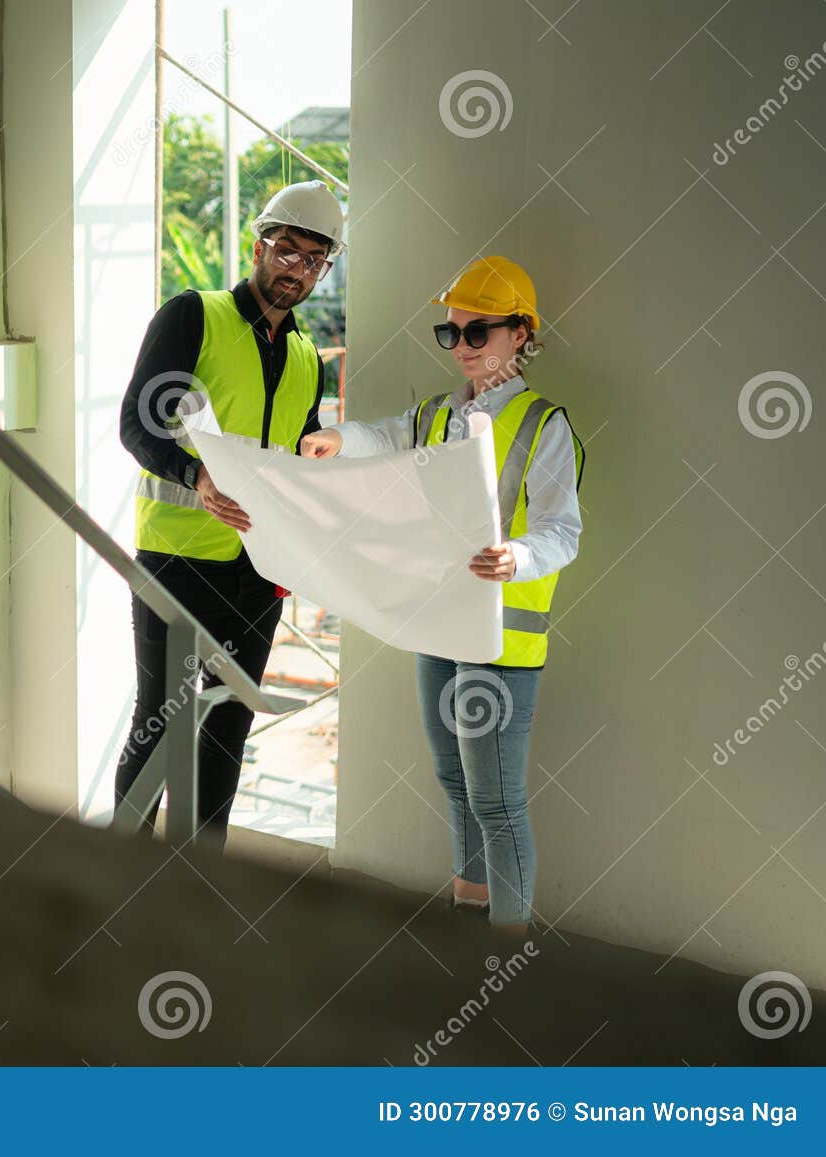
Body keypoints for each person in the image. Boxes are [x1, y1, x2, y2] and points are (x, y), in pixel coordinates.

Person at [301, 256, 584, 933]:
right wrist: (338, 438)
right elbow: (388, 437)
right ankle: (468, 924)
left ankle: (507, 954)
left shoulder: (545, 425)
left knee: (497, 799)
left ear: (520, 335)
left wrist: (515, 557)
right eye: (449, 333)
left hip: (500, 642)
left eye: (476, 332)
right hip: (438, 629)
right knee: (456, 785)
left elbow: (563, 531)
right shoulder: (436, 415)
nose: (460, 348)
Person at [115, 181, 345, 841]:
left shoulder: (308, 358)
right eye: (285, 248)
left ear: (324, 270)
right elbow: (136, 423)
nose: (294, 267)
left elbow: (294, 460)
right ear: (260, 243)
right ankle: (115, 884)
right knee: (161, 722)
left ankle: (197, 891)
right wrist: (195, 475)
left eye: (311, 259)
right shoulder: (194, 316)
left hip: (259, 575)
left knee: (225, 731)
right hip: (177, 563)